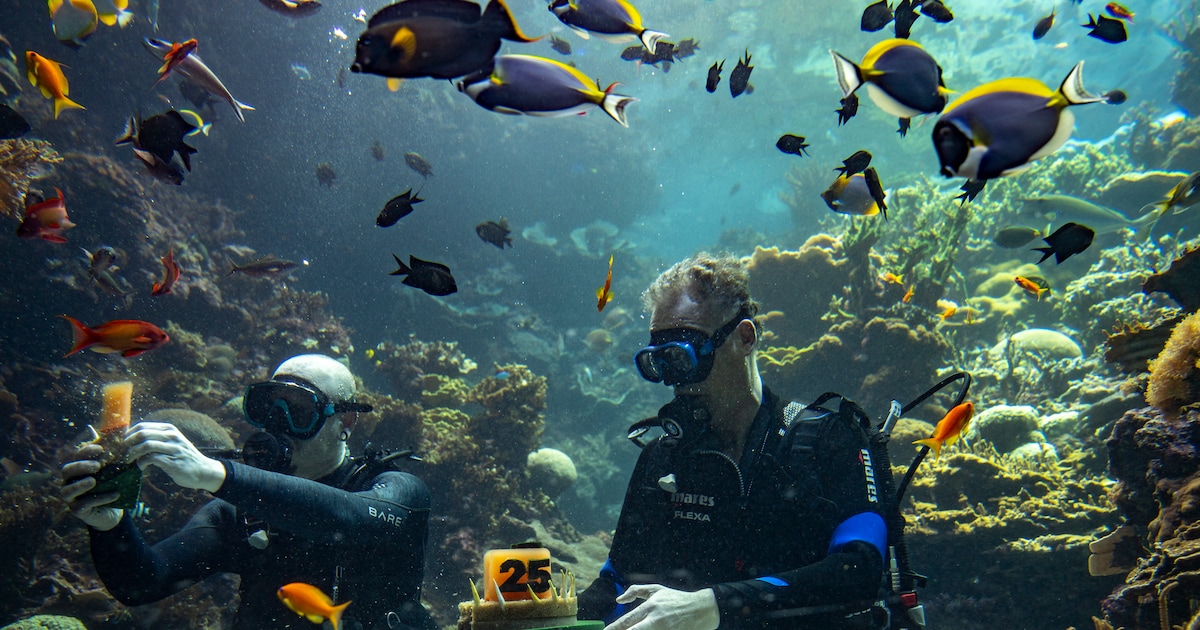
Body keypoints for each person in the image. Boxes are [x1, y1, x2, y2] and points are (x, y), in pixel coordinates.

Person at [577, 253, 888, 630]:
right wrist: (540, 612)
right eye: (661, 363)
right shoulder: (662, 460)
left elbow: (860, 568)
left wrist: (716, 605)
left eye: (685, 356)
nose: (676, 381)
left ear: (744, 338)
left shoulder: (830, 440)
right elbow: (615, 583)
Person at [60, 354, 436, 630]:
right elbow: (141, 582)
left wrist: (216, 474)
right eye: (266, 407)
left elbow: (348, 517)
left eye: (299, 410)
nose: (279, 425)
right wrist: (109, 525)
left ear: (346, 420)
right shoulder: (239, 513)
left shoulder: (397, 491)